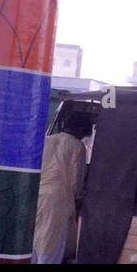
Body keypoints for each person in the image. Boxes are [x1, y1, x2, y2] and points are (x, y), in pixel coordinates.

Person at [33, 111, 94, 264]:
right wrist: (80, 198)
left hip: (37, 194)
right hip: (58, 201)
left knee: (36, 238)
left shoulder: (46, 140)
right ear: (80, 129)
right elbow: (76, 182)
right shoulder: (77, 146)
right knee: (52, 243)